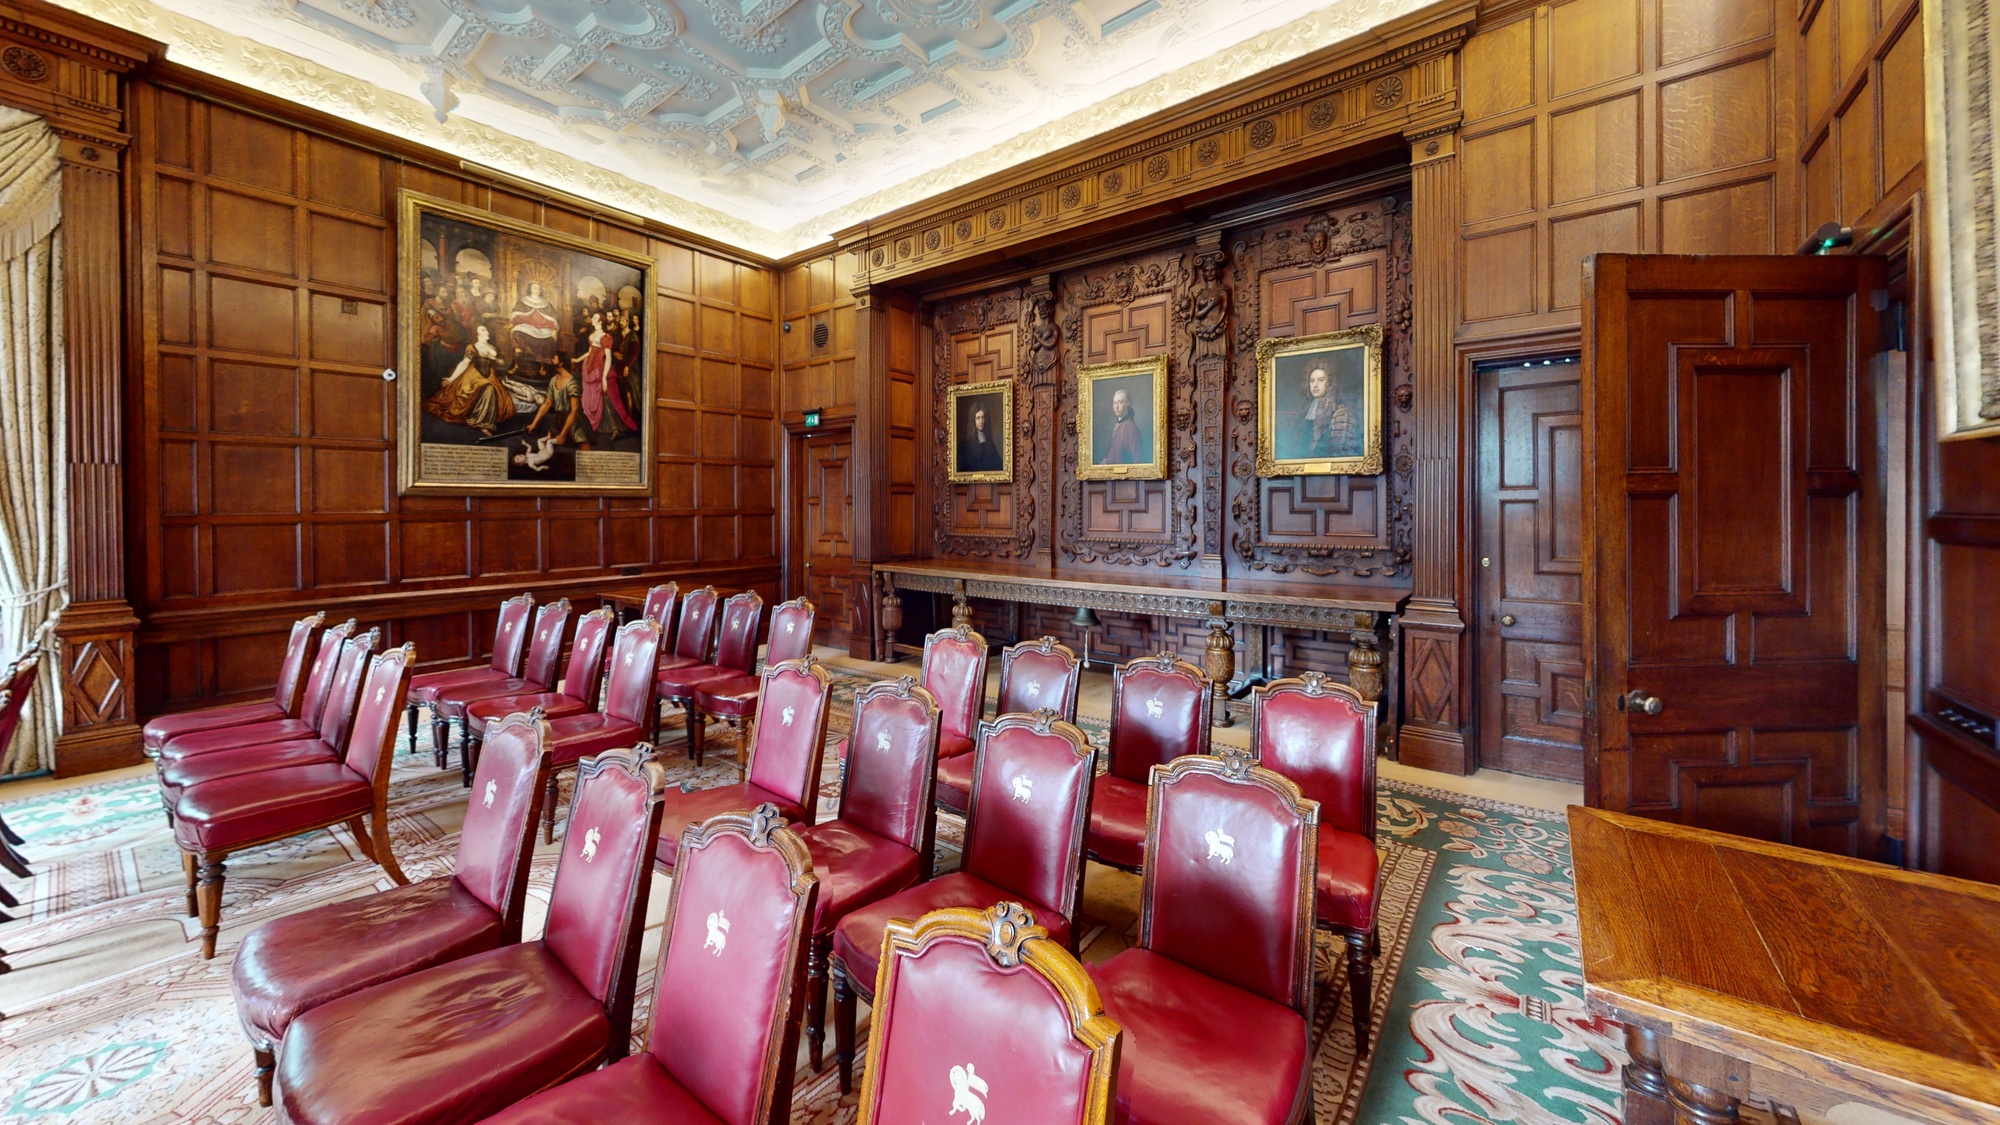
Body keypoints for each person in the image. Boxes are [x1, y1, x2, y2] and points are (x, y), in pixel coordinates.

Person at [424, 325, 515, 435]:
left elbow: (503, 363)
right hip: (474, 375)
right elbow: (464, 363)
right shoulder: (472, 347)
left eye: (486, 329)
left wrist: (494, 358)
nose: (486, 331)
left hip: (489, 375)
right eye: (483, 330)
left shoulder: (493, 347)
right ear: (477, 334)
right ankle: (482, 423)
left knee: (491, 390)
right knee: (487, 389)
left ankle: (483, 420)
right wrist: (451, 378)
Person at [577, 312, 639, 443]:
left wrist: (604, 377)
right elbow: (589, 352)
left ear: (600, 322)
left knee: (606, 396)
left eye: (595, 318)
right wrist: (577, 360)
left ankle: (614, 428)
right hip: (589, 368)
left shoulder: (606, 337)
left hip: (600, 368)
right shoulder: (592, 334)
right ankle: (593, 425)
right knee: (592, 396)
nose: (592, 319)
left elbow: (609, 358)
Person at [1300, 365, 1356, 458]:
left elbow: (1340, 452)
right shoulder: (1307, 412)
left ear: (1329, 383)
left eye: (1321, 380)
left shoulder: (1341, 413)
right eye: (1312, 381)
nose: (1315, 385)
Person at [507, 280, 560, 372]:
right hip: (527, 327)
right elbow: (520, 317)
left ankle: (542, 367)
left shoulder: (546, 304)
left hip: (542, 329)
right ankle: (518, 365)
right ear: (530, 289)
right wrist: (513, 323)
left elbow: (551, 319)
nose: (537, 290)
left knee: (547, 340)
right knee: (517, 332)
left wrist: (553, 329)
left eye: (538, 288)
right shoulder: (523, 301)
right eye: (534, 288)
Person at [1102, 386, 1145, 464]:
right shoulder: (1117, 425)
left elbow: (1138, 460)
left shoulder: (1131, 428)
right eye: (1114, 403)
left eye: (1120, 402)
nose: (1116, 406)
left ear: (1127, 404)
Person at [957, 403, 1004, 473]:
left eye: (983, 417)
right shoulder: (964, 445)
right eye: (978, 418)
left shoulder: (988, 441)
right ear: (973, 420)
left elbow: (998, 463)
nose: (981, 421)